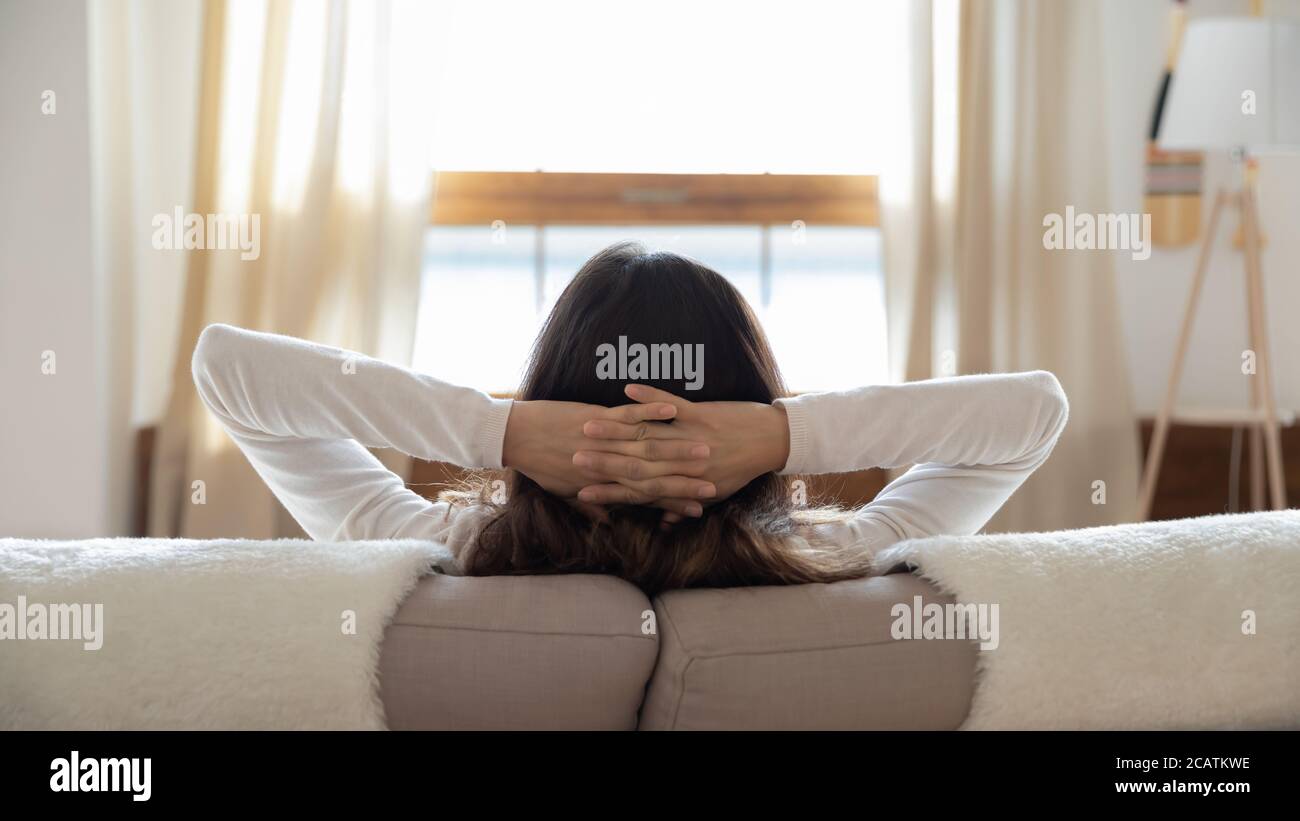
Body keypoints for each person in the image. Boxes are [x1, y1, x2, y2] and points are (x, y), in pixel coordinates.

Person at [192, 241, 1068, 594]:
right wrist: (780, 436)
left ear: (555, 388)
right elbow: (1034, 413)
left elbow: (227, 369)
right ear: (743, 392)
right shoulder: (837, 556)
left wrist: (502, 435)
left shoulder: (440, 550)